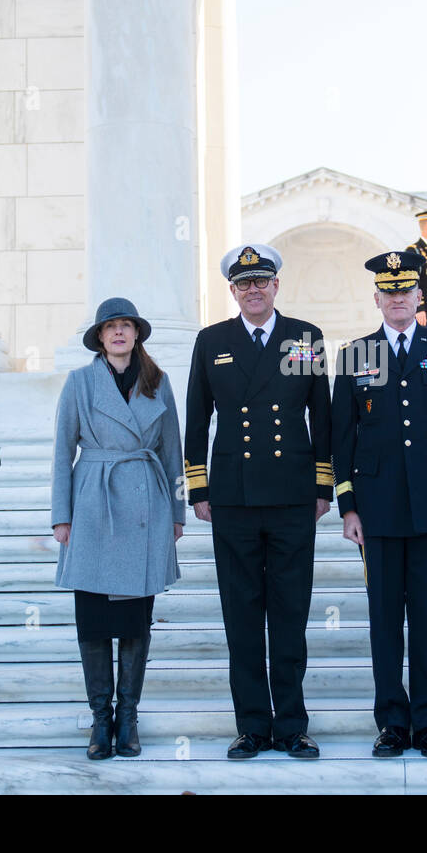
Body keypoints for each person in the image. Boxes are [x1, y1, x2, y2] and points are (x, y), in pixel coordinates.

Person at [184, 244, 332, 760]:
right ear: (232, 290)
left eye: (261, 281)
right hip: (234, 497)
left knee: (290, 616)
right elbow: (197, 419)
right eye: (243, 283)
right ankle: (252, 726)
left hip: (292, 497)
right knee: (241, 616)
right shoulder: (212, 341)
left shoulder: (305, 337)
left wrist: (322, 485)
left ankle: (291, 726)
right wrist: (198, 488)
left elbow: (323, 413)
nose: (253, 290)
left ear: (276, 286)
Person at [332, 249, 427, 758]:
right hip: (376, 508)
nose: (397, 298)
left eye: (405, 291)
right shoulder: (355, 353)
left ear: (418, 296)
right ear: (377, 299)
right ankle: (392, 720)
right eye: (387, 292)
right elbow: (341, 438)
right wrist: (348, 506)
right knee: (385, 617)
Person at [51, 297, 185, 760]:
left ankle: (128, 718)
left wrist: (178, 513)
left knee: (133, 622)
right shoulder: (79, 383)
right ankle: (100, 721)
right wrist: (61, 516)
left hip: (146, 502)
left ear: (137, 334)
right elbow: (61, 452)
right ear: (100, 337)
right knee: (92, 622)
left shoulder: (158, 382)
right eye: (111, 327)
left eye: (127, 326)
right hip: (93, 502)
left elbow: (172, 452)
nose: (120, 333)